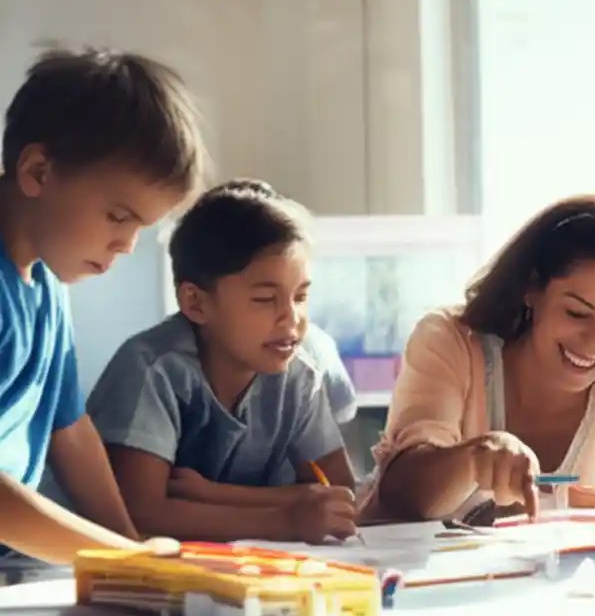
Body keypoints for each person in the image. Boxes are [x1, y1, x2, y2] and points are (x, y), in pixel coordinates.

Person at [0, 48, 206, 563]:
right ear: (39, 172)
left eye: (142, 227)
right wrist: (124, 558)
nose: (127, 244)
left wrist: (134, 547)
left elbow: (69, 429)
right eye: (118, 216)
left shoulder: (46, 281)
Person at [363, 194, 595, 523]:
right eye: (576, 313)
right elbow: (402, 498)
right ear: (531, 288)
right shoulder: (451, 343)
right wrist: (475, 459)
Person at [87, 180, 358, 544]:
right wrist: (283, 521)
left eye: (300, 296)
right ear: (196, 303)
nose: (291, 319)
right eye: (265, 299)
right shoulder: (154, 369)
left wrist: (212, 494)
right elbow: (140, 512)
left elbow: (340, 492)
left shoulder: (299, 371)